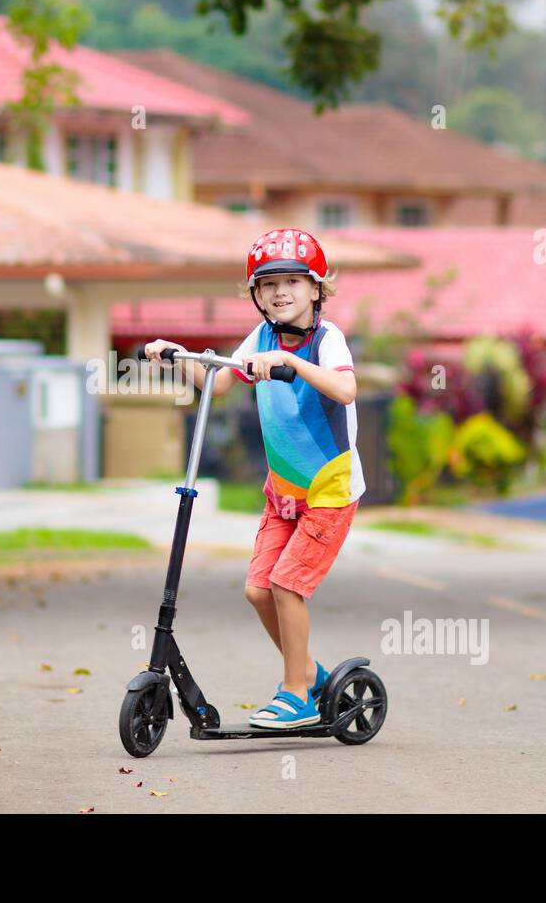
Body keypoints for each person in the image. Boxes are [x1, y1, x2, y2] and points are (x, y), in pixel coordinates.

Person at [143, 227, 365, 728]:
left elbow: (347, 390)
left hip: (329, 491)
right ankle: (307, 672)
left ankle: (297, 692)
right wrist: (181, 358)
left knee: (288, 585)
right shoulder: (261, 337)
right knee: (259, 589)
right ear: (256, 296)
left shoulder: (327, 340)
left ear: (316, 288)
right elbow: (219, 383)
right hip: (283, 493)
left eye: (291, 281)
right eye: (267, 285)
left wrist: (289, 362)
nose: (279, 292)